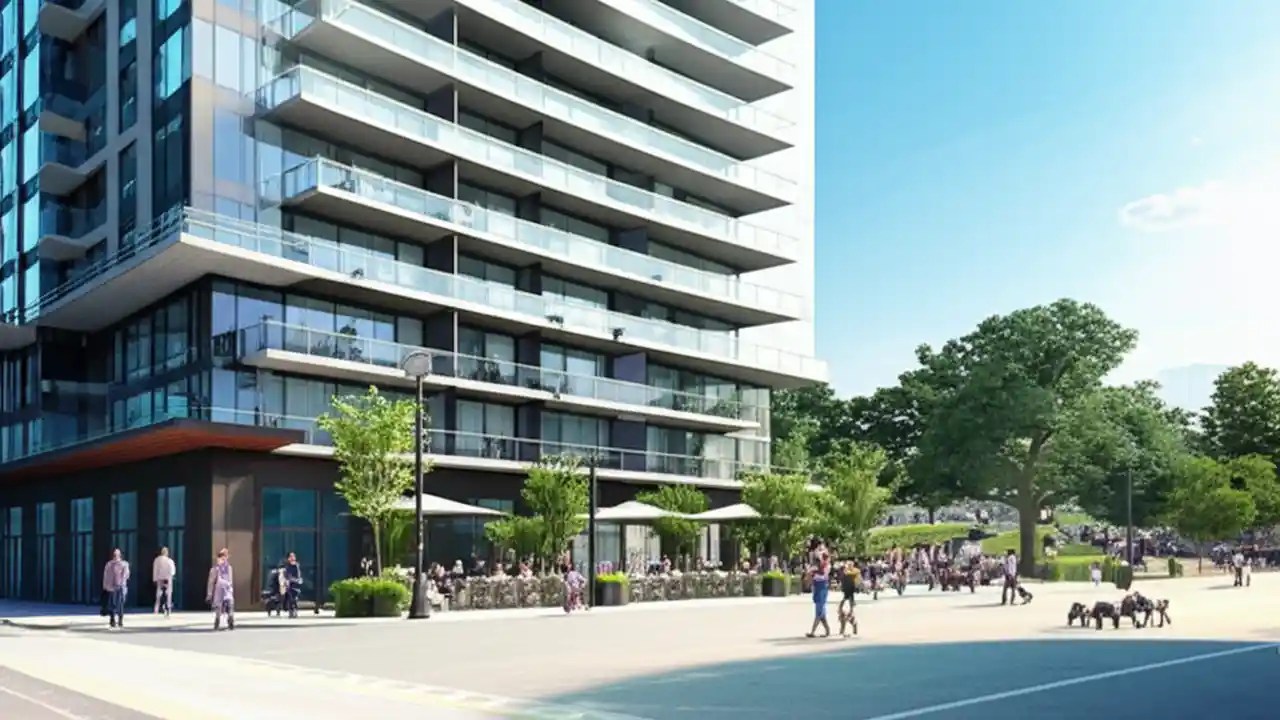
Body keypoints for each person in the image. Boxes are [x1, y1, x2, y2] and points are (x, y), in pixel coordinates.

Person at [206, 548, 235, 631]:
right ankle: (217, 621)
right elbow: (211, 582)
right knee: (218, 607)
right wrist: (209, 594)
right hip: (218, 590)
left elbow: (230, 580)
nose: (223, 559)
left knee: (230, 604)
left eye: (225, 556)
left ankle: (230, 619)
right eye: (221, 557)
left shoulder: (229, 568)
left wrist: (230, 588)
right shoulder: (215, 569)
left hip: (227, 589)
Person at [102, 549, 131, 629]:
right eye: (114, 554)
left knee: (120, 604)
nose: (115, 556)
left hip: (120, 586)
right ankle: (112, 620)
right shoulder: (109, 564)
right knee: (112, 604)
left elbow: (126, 575)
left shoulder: (124, 564)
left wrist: (121, 582)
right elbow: (106, 575)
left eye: (117, 554)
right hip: (111, 587)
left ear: (120, 555)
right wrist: (105, 585)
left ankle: (120, 620)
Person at [805, 552, 832, 638]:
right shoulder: (815, 567)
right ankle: (827, 630)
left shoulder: (827, 566)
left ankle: (812, 632)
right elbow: (809, 576)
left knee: (819, 611)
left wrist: (814, 571)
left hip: (822, 588)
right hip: (817, 588)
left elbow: (823, 574)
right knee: (821, 612)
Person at [838, 560, 860, 638]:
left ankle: (843, 631)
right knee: (842, 613)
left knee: (845, 614)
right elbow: (842, 577)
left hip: (850, 596)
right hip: (845, 596)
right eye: (847, 564)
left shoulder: (854, 573)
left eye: (850, 565)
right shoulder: (844, 573)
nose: (847, 566)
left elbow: (857, 579)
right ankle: (853, 624)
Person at [153, 547, 176, 616]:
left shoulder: (157, 560)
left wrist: (155, 579)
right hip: (167, 578)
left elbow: (155, 570)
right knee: (168, 594)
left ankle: (157, 608)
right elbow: (172, 571)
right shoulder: (169, 561)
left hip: (160, 578)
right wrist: (171, 576)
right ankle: (168, 607)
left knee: (159, 594)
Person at [281, 552, 303, 618]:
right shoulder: (287, 566)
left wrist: (298, 580)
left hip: (296, 584)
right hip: (290, 585)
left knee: (295, 598)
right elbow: (287, 575)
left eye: (293, 556)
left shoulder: (297, 566)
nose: (292, 558)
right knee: (291, 599)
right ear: (288, 558)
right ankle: (291, 612)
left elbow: (299, 575)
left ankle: (295, 611)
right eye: (291, 556)